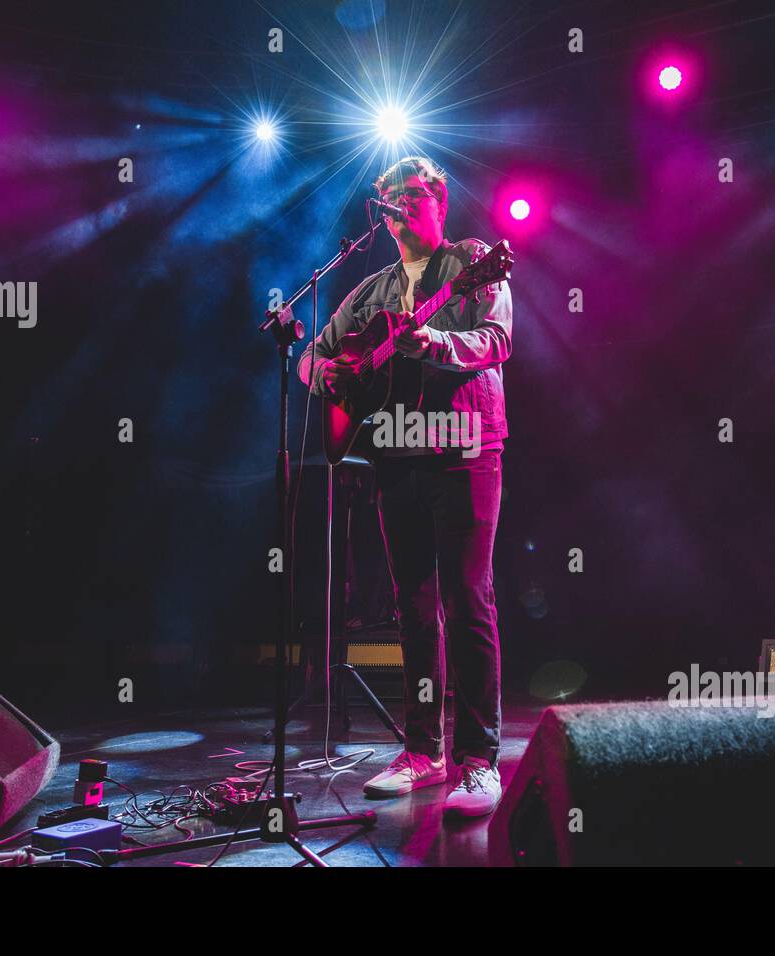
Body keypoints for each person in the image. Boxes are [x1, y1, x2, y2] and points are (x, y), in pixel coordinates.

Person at [297, 155, 511, 817]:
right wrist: (325, 375)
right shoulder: (371, 290)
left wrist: (431, 346)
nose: (398, 207)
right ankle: (424, 752)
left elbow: (497, 338)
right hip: (395, 457)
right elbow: (313, 357)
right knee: (414, 612)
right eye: (388, 198)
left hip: (465, 446)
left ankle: (478, 760)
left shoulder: (473, 260)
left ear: (439, 200)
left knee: (467, 599)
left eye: (411, 195)